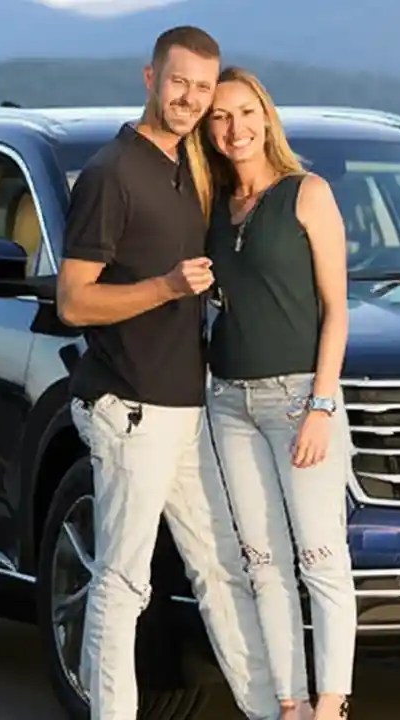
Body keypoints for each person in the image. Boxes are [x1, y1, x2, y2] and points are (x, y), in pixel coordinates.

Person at [56, 28, 279, 720]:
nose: (189, 99)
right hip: (131, 406)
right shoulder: (111, 173)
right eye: (178, 82)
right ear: (150, 78)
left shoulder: (192, 168)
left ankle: (275, 710)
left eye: (202, 88)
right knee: (123, 582)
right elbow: (73, 301)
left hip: (188, 409)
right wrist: (165, 287)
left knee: (223, 571)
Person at [192, 66, 355, 720]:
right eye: (220, 117)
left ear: (266, 116)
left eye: (245, 112)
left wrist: (321, 406)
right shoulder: (212, 208)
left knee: (320, 559)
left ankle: (331, 705)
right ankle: (288, 703)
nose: (235, 128)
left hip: (298, 404)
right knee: (263, 565)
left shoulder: (306, 193)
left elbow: (336, 311)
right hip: (229, 403)